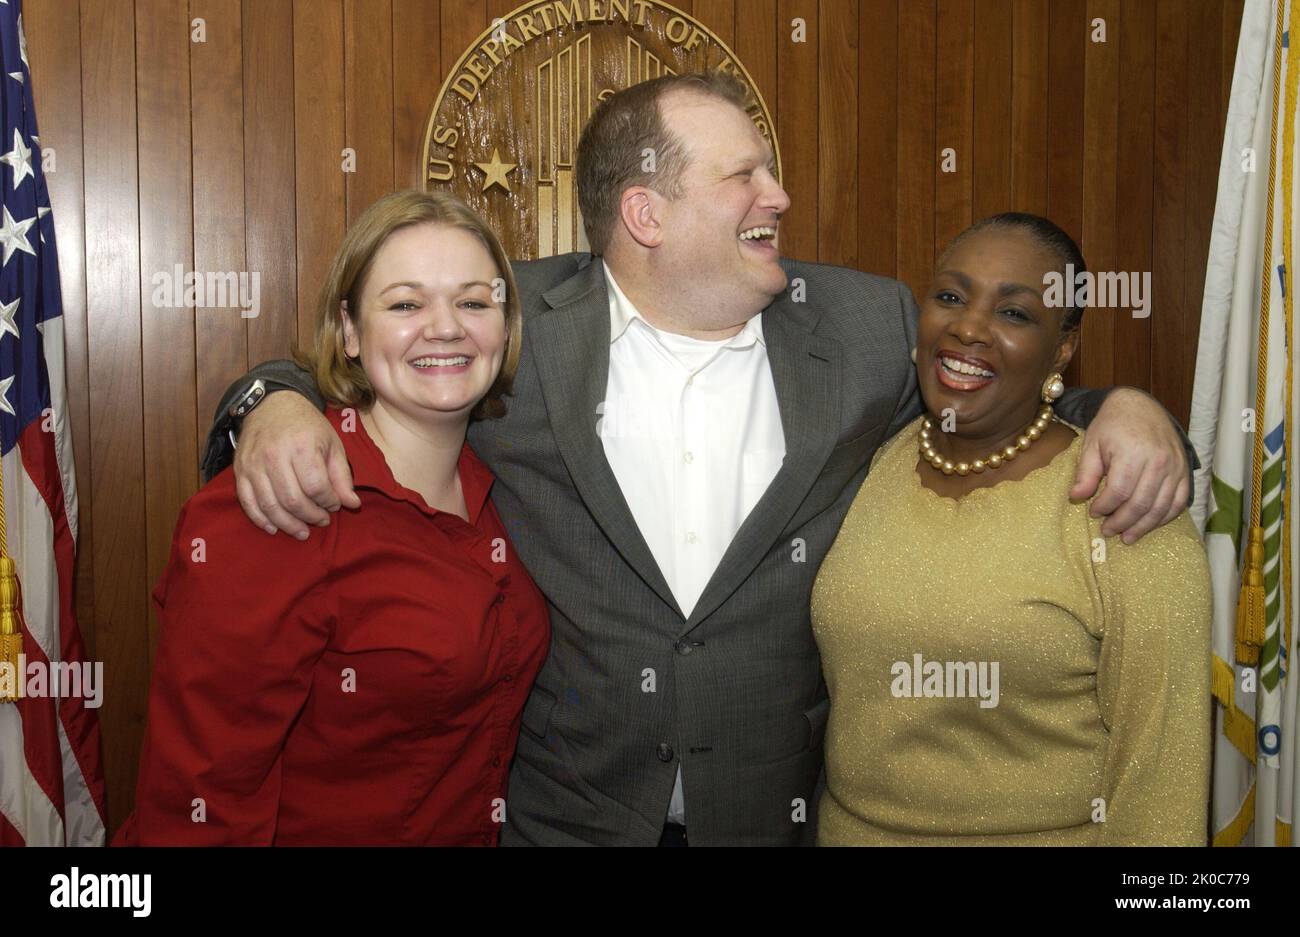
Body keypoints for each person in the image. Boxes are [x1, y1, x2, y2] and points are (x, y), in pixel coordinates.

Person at [203, 73, 1197, 846]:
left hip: (776, 821)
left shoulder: (859, 326)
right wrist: (269, 401)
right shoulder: (511, 326)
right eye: (745, 175)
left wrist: (1126, 406)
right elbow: (377, 353)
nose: (781, 192)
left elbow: (986, 380)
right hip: (567, 824)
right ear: (648, 214)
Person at [117, 191, 549, 845]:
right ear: (348, 330)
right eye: (405, 303)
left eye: (473, 301)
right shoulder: (283, 501)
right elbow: (199, 806)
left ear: (506, 326)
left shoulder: (500, 493)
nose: (445, 326)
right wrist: (268, 400)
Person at [812, 214, 1211, 845]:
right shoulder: (867, 464)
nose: (969, 327)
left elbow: (1163, 778)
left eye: (1016, 314)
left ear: (1062, 349)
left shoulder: (1127, 502)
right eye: (950, 297)